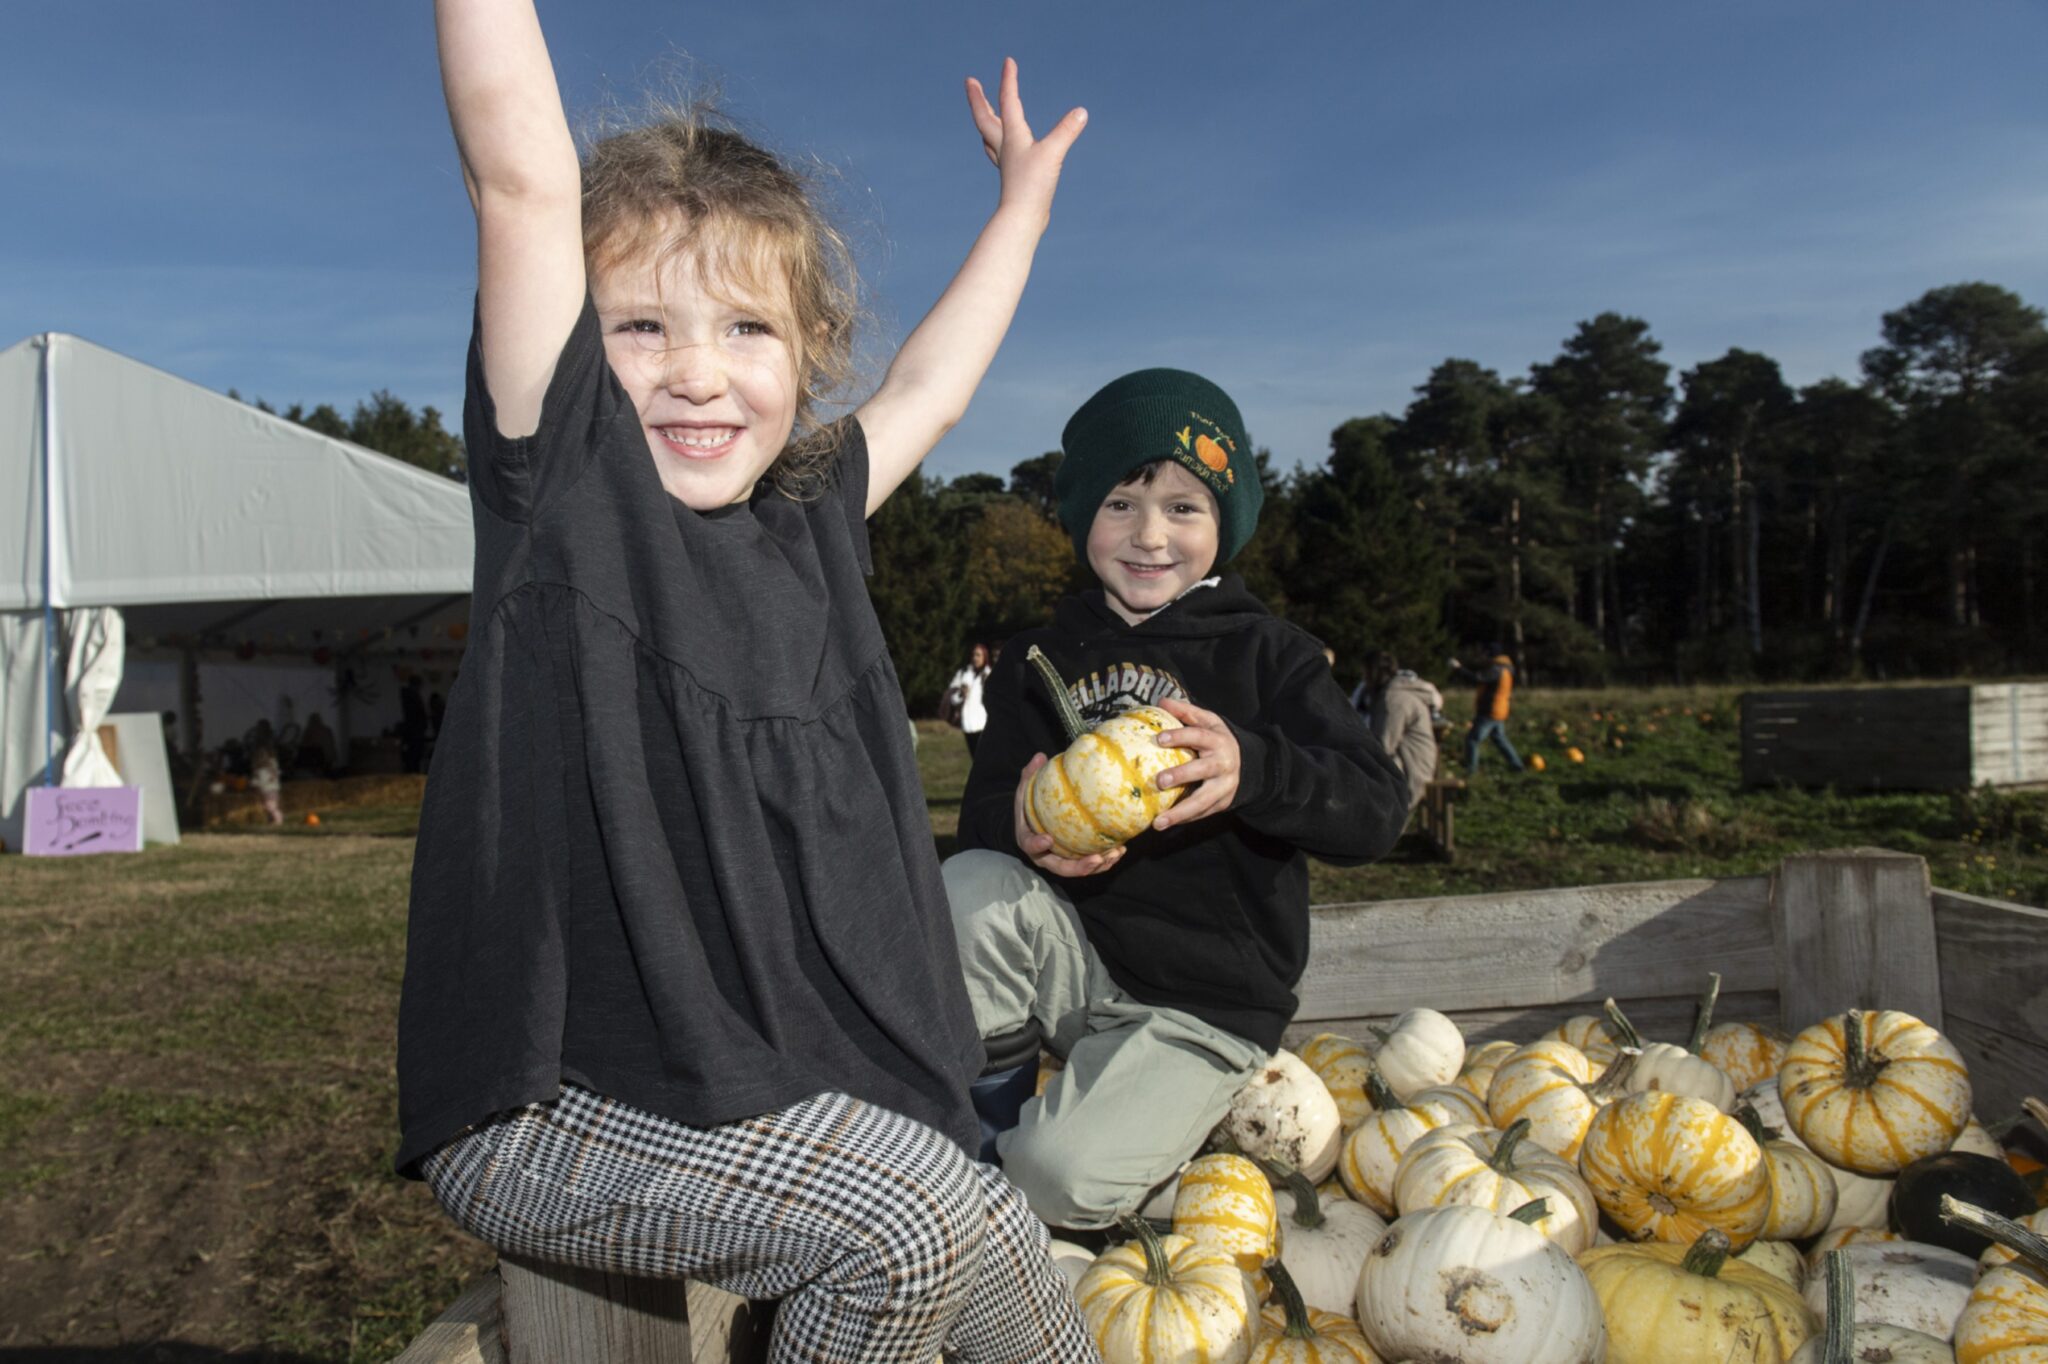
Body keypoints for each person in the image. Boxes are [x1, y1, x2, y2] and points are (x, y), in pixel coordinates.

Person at [397, 6, 1096, 1360]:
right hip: (563, 1107)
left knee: (999, 1226)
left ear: (808, 356)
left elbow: (936, 388)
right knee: (904, 1232)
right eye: (643, 327)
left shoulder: (809, 524)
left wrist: (1022, 207)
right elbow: (523, 176)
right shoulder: (572, 498)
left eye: (747, 330)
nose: (699, 372)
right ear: (582, 357)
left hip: (742, 1087)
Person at [942, 369, 1411, 1228]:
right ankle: (984, 1135)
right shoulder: (1036, 659)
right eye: (1120, 503)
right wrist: (1018, 825)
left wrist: (1256, 770)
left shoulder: (1271, 654)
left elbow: (1376, 810)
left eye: (1185, 508)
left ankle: (1078, 1161)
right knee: (965, 885)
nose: (1150, 535)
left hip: (1204, 1006)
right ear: (1082, 514)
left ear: (1223, 524)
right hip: (1077, 973)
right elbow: (977, 814)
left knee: (1055, 1178)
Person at [1352, 651, 1441, 811]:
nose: (1364, 678)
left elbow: (1382, 747)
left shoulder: (1394, 700)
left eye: (1365, 672)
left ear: (1374, 672)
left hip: (1409, 771)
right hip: (1405, 766)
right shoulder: (1392, 695)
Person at [1453, 646, 1524, 773]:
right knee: (1500, 739)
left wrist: (1459, 668)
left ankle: (1471, 770)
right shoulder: (1506, 669)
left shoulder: (1496, 670)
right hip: (1500, 709)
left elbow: (1477, 678)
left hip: (1489, 711)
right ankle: (1517, 766)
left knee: (1472, 740)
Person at [944, 642, 994, 756]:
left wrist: (988, 685)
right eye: (973, 655)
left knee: (986, 758)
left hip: (984, 725)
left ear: (984, 657)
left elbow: (995, 700)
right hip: (967, 724)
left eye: (978, 655)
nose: (975, 658)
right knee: (975, 757)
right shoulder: (963, 674)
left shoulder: (990, 673)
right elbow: (952, 700)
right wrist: (961, 694)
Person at [398, 676, 429, 774]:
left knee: (413, 759)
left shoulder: (410, 696)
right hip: (415, 732)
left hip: (414, 732)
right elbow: (417, 715)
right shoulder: (412, 696)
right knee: (413, 759)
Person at [249, 745, 284, 825]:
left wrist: (254, 783)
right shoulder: (261, 770)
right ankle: (271, 820)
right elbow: (257, 781)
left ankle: (278, 820)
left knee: (271, 806)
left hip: (270, 790)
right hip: (268, 791)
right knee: (268, 806)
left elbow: (265, 780)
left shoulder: (267, 768)